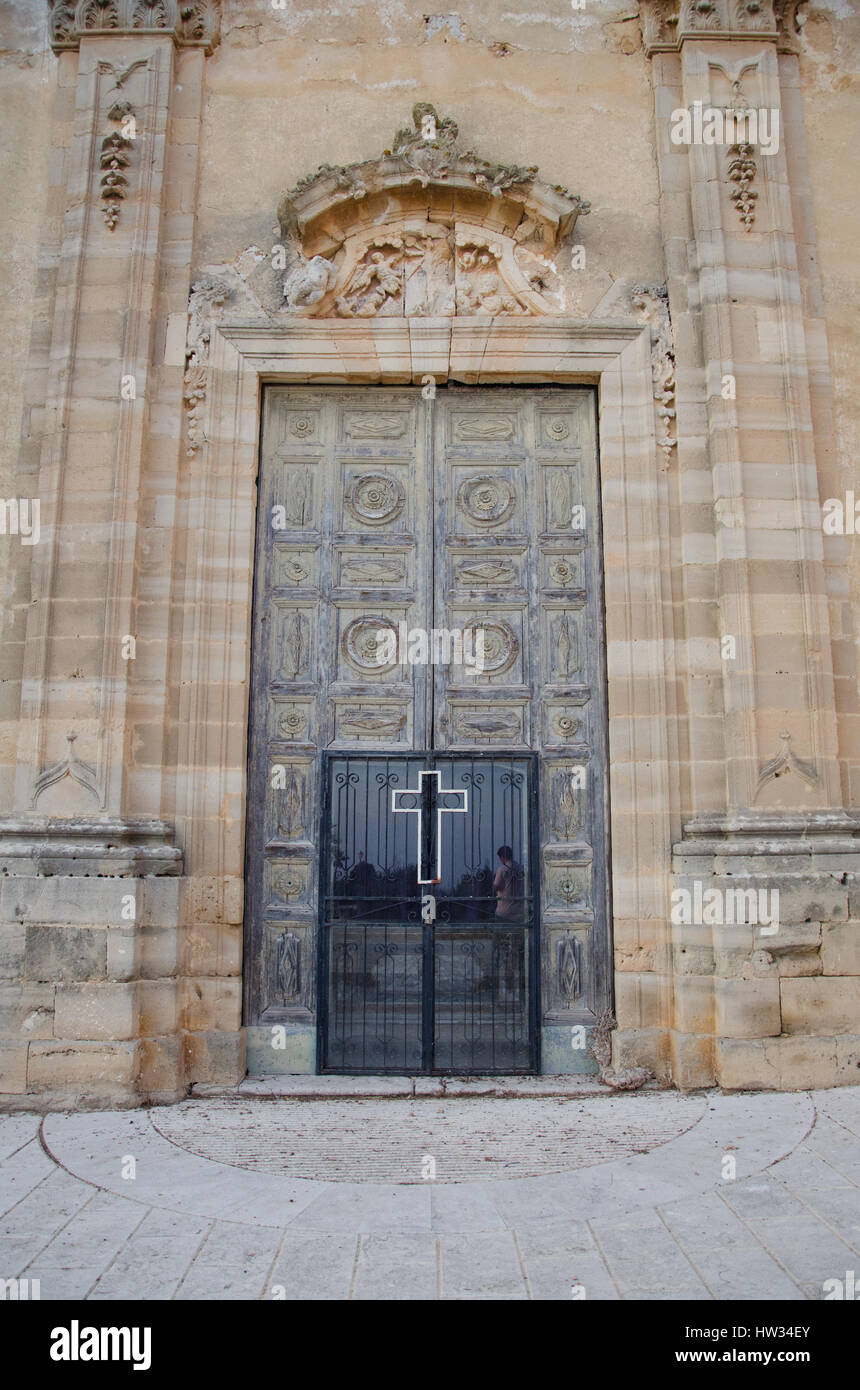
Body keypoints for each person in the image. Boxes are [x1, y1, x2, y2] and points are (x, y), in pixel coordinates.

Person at [493, 845, 525, 922]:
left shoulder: (502, 869)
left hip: (504, 912)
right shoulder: (521, 868)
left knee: (501, 933)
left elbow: (495, 887)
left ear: (502, 857)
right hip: (520, 912)